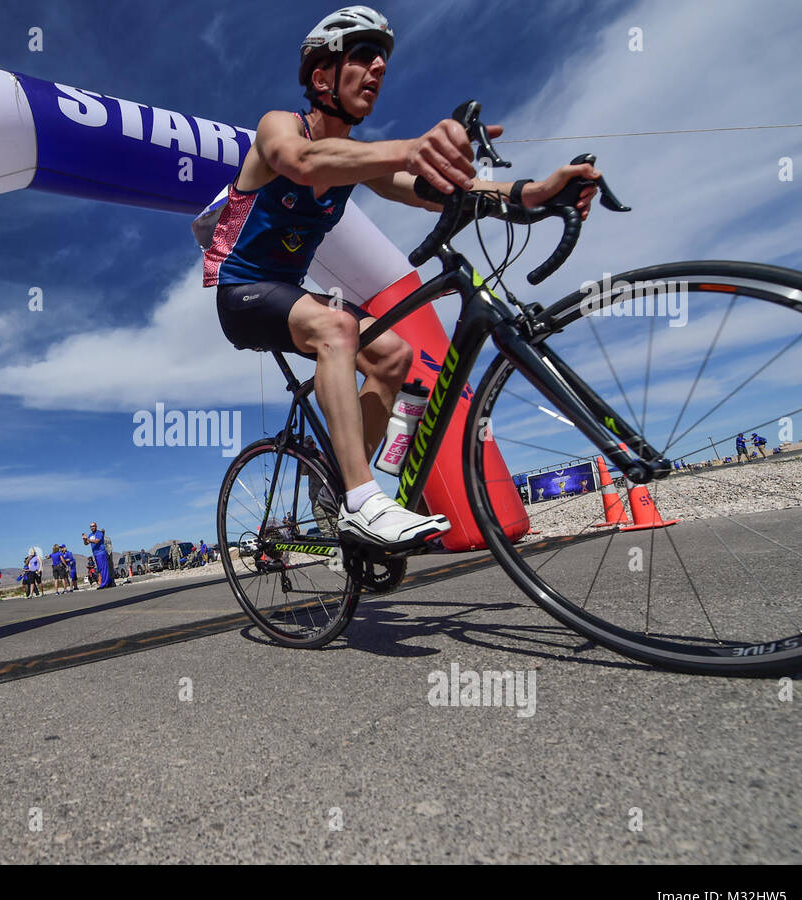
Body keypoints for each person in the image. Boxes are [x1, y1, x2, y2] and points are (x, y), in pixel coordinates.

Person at [200, 6, 599, 551]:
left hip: (293, 294)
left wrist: (529, 194)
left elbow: (441, 191)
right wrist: (411, 147)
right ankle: (365, 502)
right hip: (242, 293)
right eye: (362, 57)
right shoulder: (281, 126)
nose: (378, 68)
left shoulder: (362, 162)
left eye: (382, 61)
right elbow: (300, 161)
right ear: (321, 77)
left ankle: (341, 488)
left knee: (393, 356)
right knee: (337, 327)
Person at [83, 522, 114, 588]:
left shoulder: (99, 533)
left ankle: (104, 583)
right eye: (91, 526)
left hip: (101, 552)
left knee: (103, 568)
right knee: (100, 569)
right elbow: (86, 543)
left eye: (93, 526)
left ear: (96, 526)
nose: (92, 527)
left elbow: (96, 541)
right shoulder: (90, 535)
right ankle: (109, 582)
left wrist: (88, 539)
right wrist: (84, 539)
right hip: (95, 554)